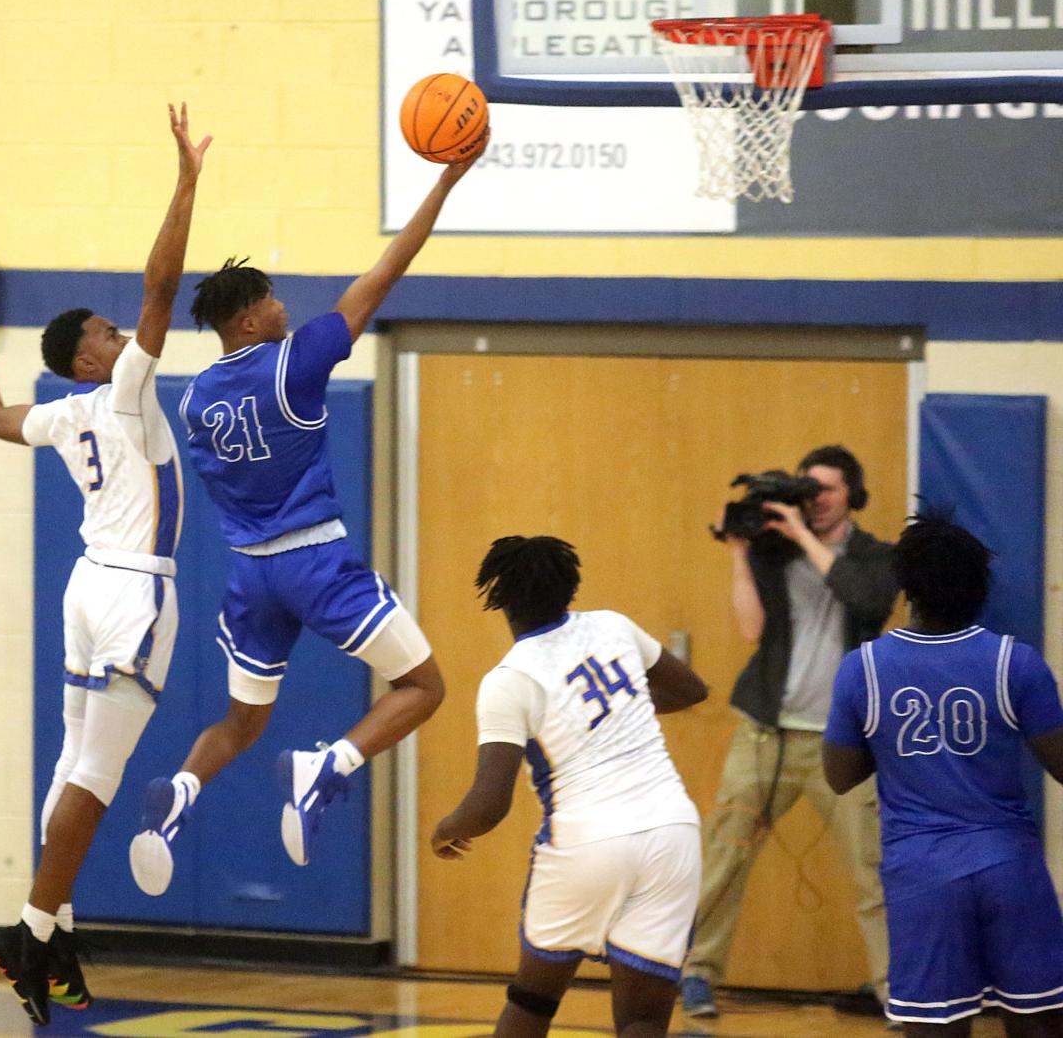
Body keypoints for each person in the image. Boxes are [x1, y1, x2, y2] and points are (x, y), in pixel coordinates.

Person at [129, 134, 488, 892]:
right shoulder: (295, 362)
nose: (283, 305)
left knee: (241, 724)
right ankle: (331, 762)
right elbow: (384, 273)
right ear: (251, 320)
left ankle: (178, 794)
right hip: (315, 561)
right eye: (270, 299)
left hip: (250, 575)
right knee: (424, 687)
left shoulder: (192, 400)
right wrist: (447, 184)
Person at [0, 104, 210, 1026]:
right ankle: (27, 930)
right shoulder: (126, 392)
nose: (120, 334)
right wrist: (185, 183)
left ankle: (53, 937)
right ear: (89, 356)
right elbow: (162, 284)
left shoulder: (64, 415)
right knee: (94, 781)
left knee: (70, 769)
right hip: (137, 590)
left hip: (86, 585)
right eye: (106, 331)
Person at [431, 536, 708, 1036]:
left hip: (587, 841)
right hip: (673, 830)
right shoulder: (614, 626)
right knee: (643, 1018)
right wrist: (621, 714)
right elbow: (690, 689)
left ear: (499, 597)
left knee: (532, 1000)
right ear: (569, 586)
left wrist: (446, 829)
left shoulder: (509, 678)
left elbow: (489, 805)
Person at [824, 513, 1063, 1036]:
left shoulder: (862, 668)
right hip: (1009, 867)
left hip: (922, 874)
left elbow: (839, 776)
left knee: (935, 1028)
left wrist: (891, 744)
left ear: (906, 587)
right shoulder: (1014, 663)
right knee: (1039, 1025)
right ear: (980, 586)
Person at [681, 445, 898, 1020]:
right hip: (766, 735)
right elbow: (752, 629)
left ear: (853, 493)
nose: (816, 499)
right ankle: (698, 972)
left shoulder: (876, 556)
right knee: (725, 854)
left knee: (872, 870)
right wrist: (740, 553)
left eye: (827, 488)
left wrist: (804, 536)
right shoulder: (773, 555)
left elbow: (869, 601)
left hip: (845, 744)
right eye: (808, 488)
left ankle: (896, 988)